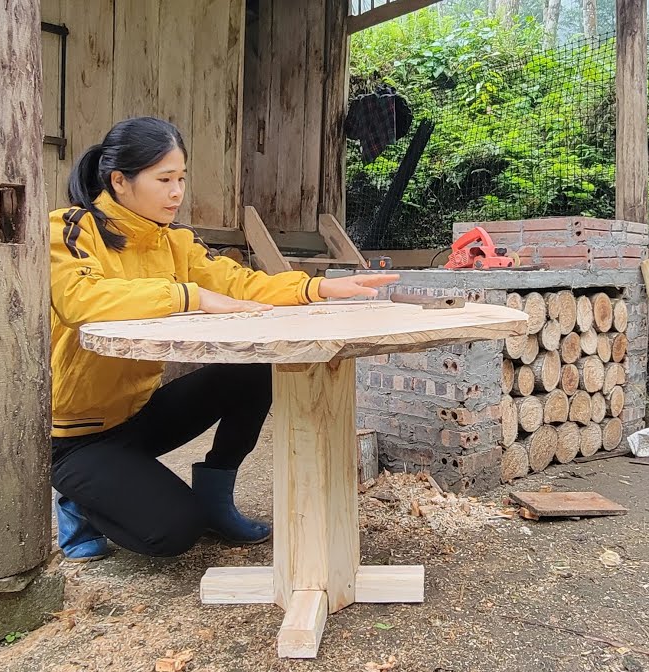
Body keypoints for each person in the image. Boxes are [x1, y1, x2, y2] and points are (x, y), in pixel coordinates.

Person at [48, 116, 397, 562]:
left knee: (253, 373)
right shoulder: (70, 228)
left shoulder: (174, 241)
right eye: (164, 180)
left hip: (137, 417)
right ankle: (82, 500)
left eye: (181, 179)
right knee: (175, 532)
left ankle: (214, 498)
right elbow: (80, 299)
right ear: (119, 181)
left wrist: (319, 287)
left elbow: (239, 282)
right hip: (75, 436)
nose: (177, 192)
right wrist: (189, 295)